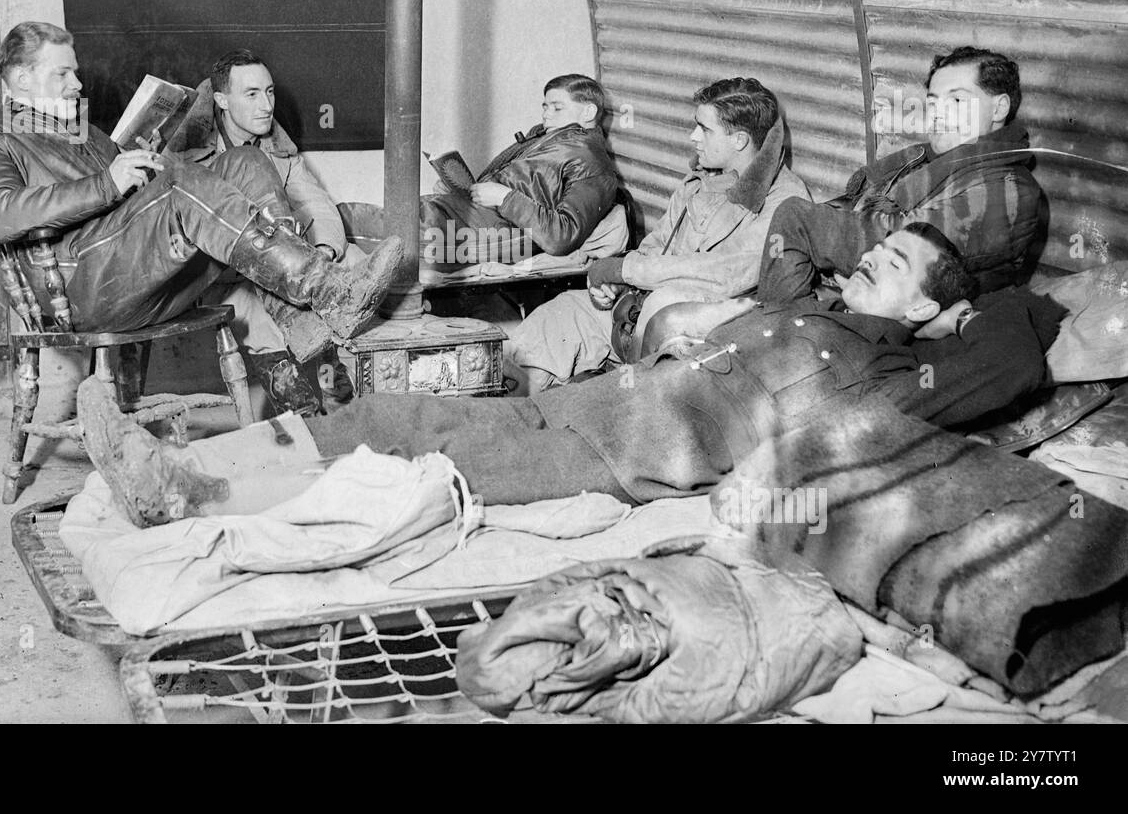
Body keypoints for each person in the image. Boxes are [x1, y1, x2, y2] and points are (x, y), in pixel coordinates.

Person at [77, 222, 1063, 525]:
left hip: (620, 449)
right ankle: (188, 463)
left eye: (891, 265)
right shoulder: (824, 314)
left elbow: (1015, 349)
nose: (866, 264)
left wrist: (1008, 300)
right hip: (592, 402)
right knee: (382, 406)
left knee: (400, 445)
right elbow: (801, 253)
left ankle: (194, 491)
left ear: (934, 308)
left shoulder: (899, 368)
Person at [0, 21, 403, 362]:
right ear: (20, 80)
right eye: (63, 75)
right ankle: (326, 292)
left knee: (245, 161)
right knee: (177, 182)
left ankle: (294, 306)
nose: (78, 84)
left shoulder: (82, 132)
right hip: (81, 288)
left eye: (76, 73)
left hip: (131, 270)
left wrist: (143, 161)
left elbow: (128, 205)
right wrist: (110, 181)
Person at [505, 77, 811, 392]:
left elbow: (730, 273)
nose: (694, 138)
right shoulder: (700, 182)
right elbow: (656, 245)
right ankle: (500, 408)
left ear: (740, 140)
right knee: (560, 314)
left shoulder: (784, 199)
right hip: (642, 310)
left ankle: (624, 406)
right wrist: (616, 282)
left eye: (704, 129)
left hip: (712, 329)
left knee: (663, 306)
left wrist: (628, 270)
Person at [759, 46, 1045, 305]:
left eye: (957, 101)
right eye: (932, 102)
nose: (938, 114)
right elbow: (850, 207)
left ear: (999, 108)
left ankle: (776, 336)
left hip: (909, 332)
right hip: (857, 299)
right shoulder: (923, 160)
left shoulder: (1010, 190)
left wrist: (811, 231)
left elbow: (909, 250)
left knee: (793, 216)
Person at [164, 48, 356, 415]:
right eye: (251, 94)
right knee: (252, 311)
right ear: (221, 100)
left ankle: (341, 406)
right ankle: (306, 417)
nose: (266, 104)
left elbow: (317, 204)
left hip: (282, 275)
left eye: (269, 92)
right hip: (216, 275)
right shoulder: (189, 159)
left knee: (321, 285)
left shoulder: (279, 152)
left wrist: (325, 253)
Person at [419, 74, 618, 270]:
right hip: (481, 218)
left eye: (557, 108)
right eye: (545, 107)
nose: (546, 114)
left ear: (588, 112)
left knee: (402, 226)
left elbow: (561, 236)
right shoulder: (548, 138)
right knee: (402, 214)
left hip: (497, 233)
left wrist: (504, 197)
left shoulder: (591, 162)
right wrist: (462, 190)